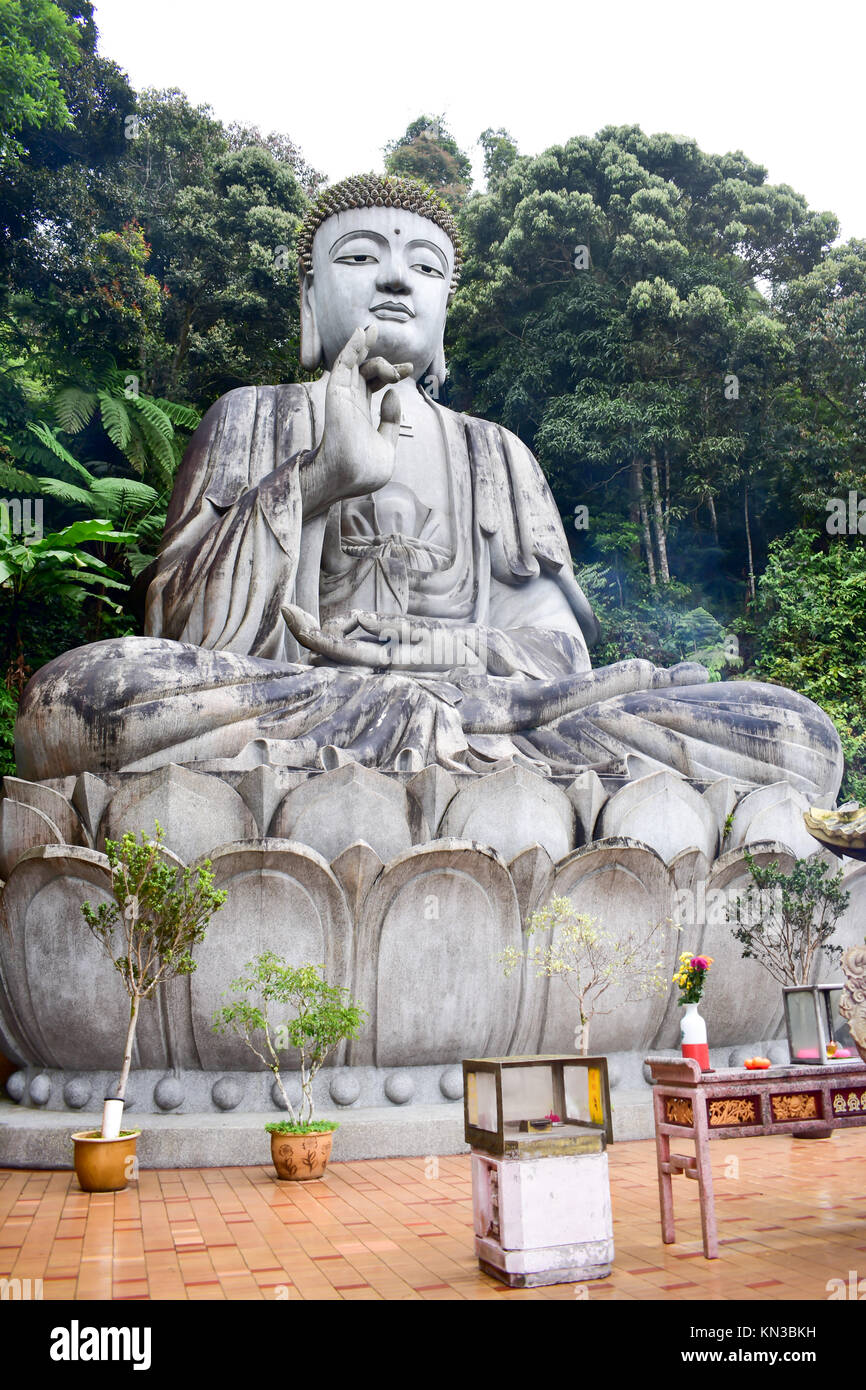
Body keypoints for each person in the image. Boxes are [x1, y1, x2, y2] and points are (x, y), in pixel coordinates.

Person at [15, 175, 843, 801]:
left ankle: (446, 764)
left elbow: (561, 654)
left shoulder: (497, 452)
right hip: (304, 700)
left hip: (497, 716)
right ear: (310, 297)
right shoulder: (249, 418)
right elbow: (186, 632)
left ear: (446, 303)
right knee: (76, 700)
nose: (396, 280)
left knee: (792, 734)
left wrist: (444, 657)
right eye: (360, 256)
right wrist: (317, 481)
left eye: (425, 265)